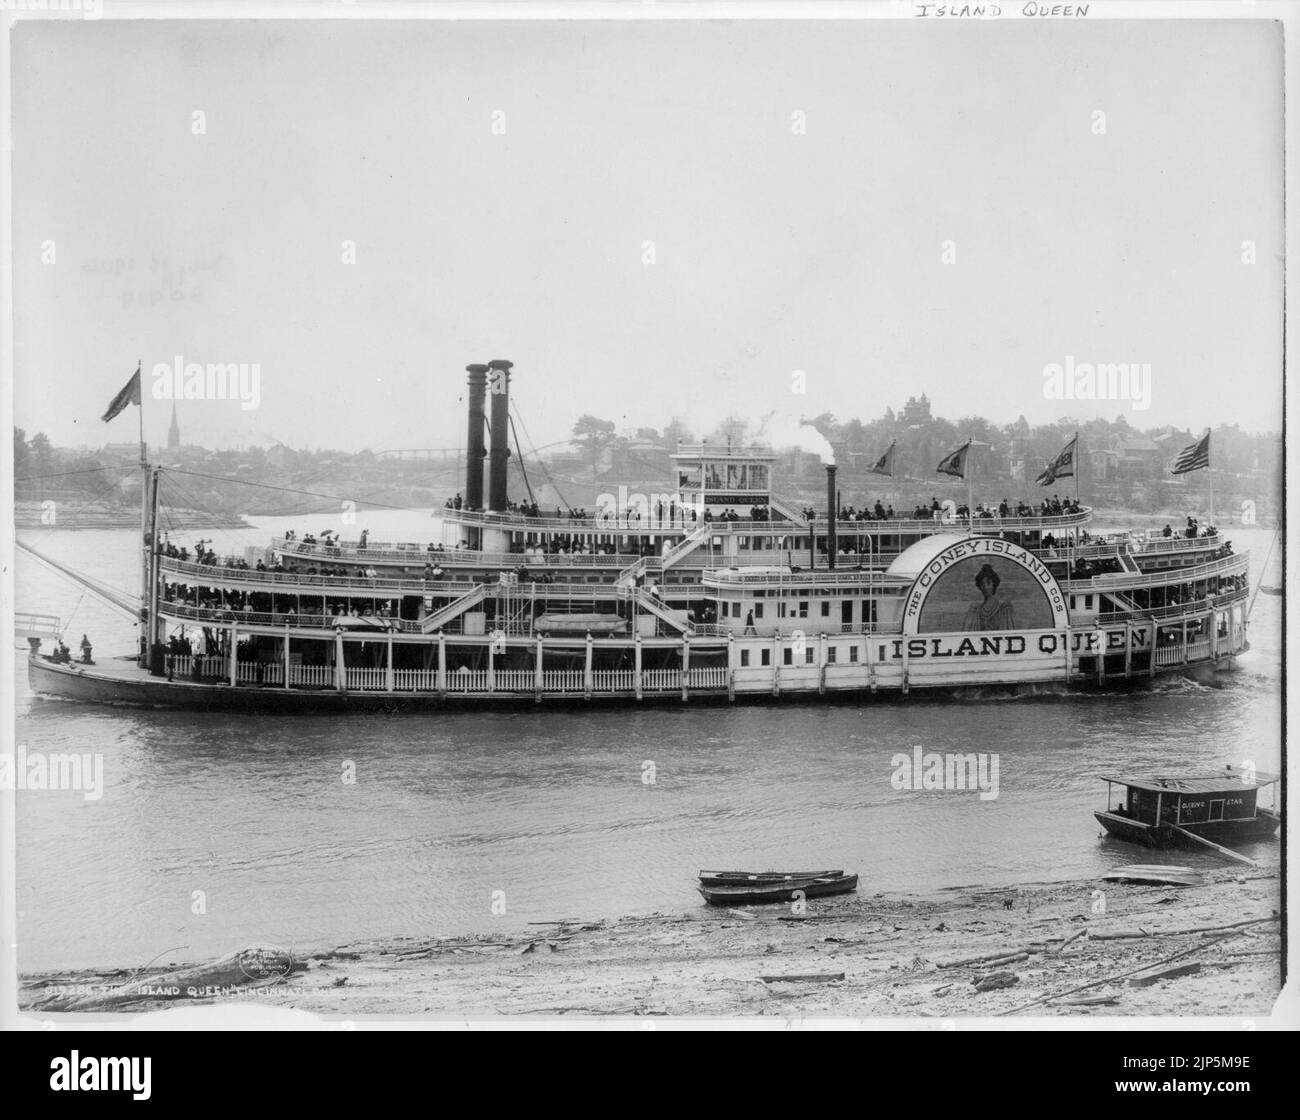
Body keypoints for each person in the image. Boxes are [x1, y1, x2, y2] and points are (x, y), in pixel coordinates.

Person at [962, 564, 1016, 632]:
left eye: (988, 583)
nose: (985, 587)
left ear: (994, 584)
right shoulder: (975, 610)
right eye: (982, 584)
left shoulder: (1004, 608)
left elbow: (1009, 633)